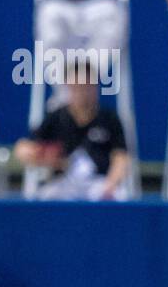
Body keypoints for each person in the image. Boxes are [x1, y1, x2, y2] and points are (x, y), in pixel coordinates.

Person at [14, 56, 130, 201]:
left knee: (119, 196)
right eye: (78, 86)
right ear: (69, 86)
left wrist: (111, 184)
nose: (83, 92)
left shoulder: (109, 118)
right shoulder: (56, 117)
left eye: (87, 86)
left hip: (98, 182)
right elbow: (25, 147)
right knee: (46, 197)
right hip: (63, 183)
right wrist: (37, 155)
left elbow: (121, 156)